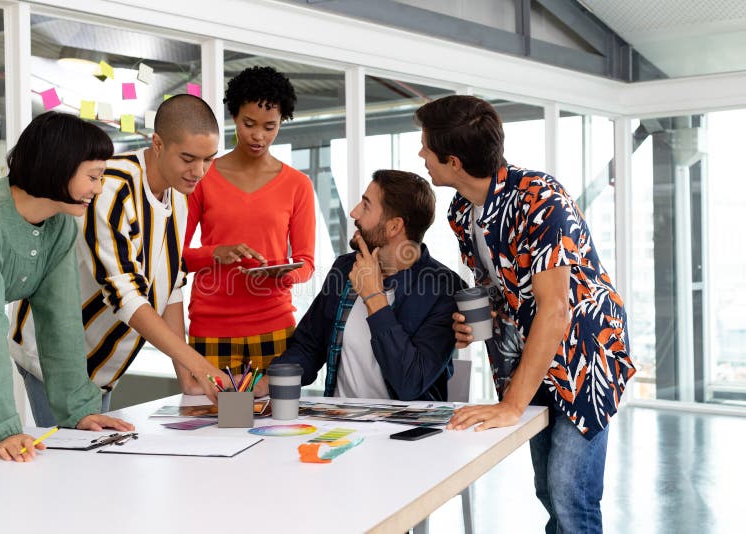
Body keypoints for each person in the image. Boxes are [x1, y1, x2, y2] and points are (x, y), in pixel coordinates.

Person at [415, 95, 636, 533]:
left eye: (426, 147)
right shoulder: (463, 211)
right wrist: (474, 321)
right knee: (549, 491)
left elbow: (555, 309)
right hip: (529, 356)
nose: (421, 155)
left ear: (453, 161)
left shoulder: (540, 199)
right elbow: (501, 289)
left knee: (570, 494)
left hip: (583, 357)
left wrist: (511, 405)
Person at [9, 95, 228, 427]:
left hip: (103, 365)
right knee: (73, 469)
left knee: (94, 465)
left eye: (208, 160)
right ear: (157, 143)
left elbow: (172, 289)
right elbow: (124, 295)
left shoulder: (178, 198)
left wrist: (186, 374)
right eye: (188, 158)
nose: (199, 172)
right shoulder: (110, 187)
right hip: (54, 357)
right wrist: (199, 364)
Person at [0, 112, 133, 461]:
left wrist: (79, 410)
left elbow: (61, 322)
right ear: (59, 167)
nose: (98, 188)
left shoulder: (60, 226)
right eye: (93, 176)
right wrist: (3, 427)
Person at [256, 170, 463, 401]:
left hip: (402, 431)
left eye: (366, 206)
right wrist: (264, 384)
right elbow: (308, 346)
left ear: (394, 227)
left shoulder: (444, 288)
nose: (354, 212)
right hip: (339, 424)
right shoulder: (345, 269)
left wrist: (373, 295)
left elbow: (410, 382)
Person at [180, 66, 315, 392]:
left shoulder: (298, 185)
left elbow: (306, 263)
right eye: (248, 124)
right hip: (211, 327)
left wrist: (284, 274)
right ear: (234, 118)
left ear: (282, 121)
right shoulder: (203, 177)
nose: (259, 136)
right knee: (209, 429)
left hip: (275, 326)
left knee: (277, 428)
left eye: (270, 127)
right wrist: (216, 254)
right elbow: (177, 257)